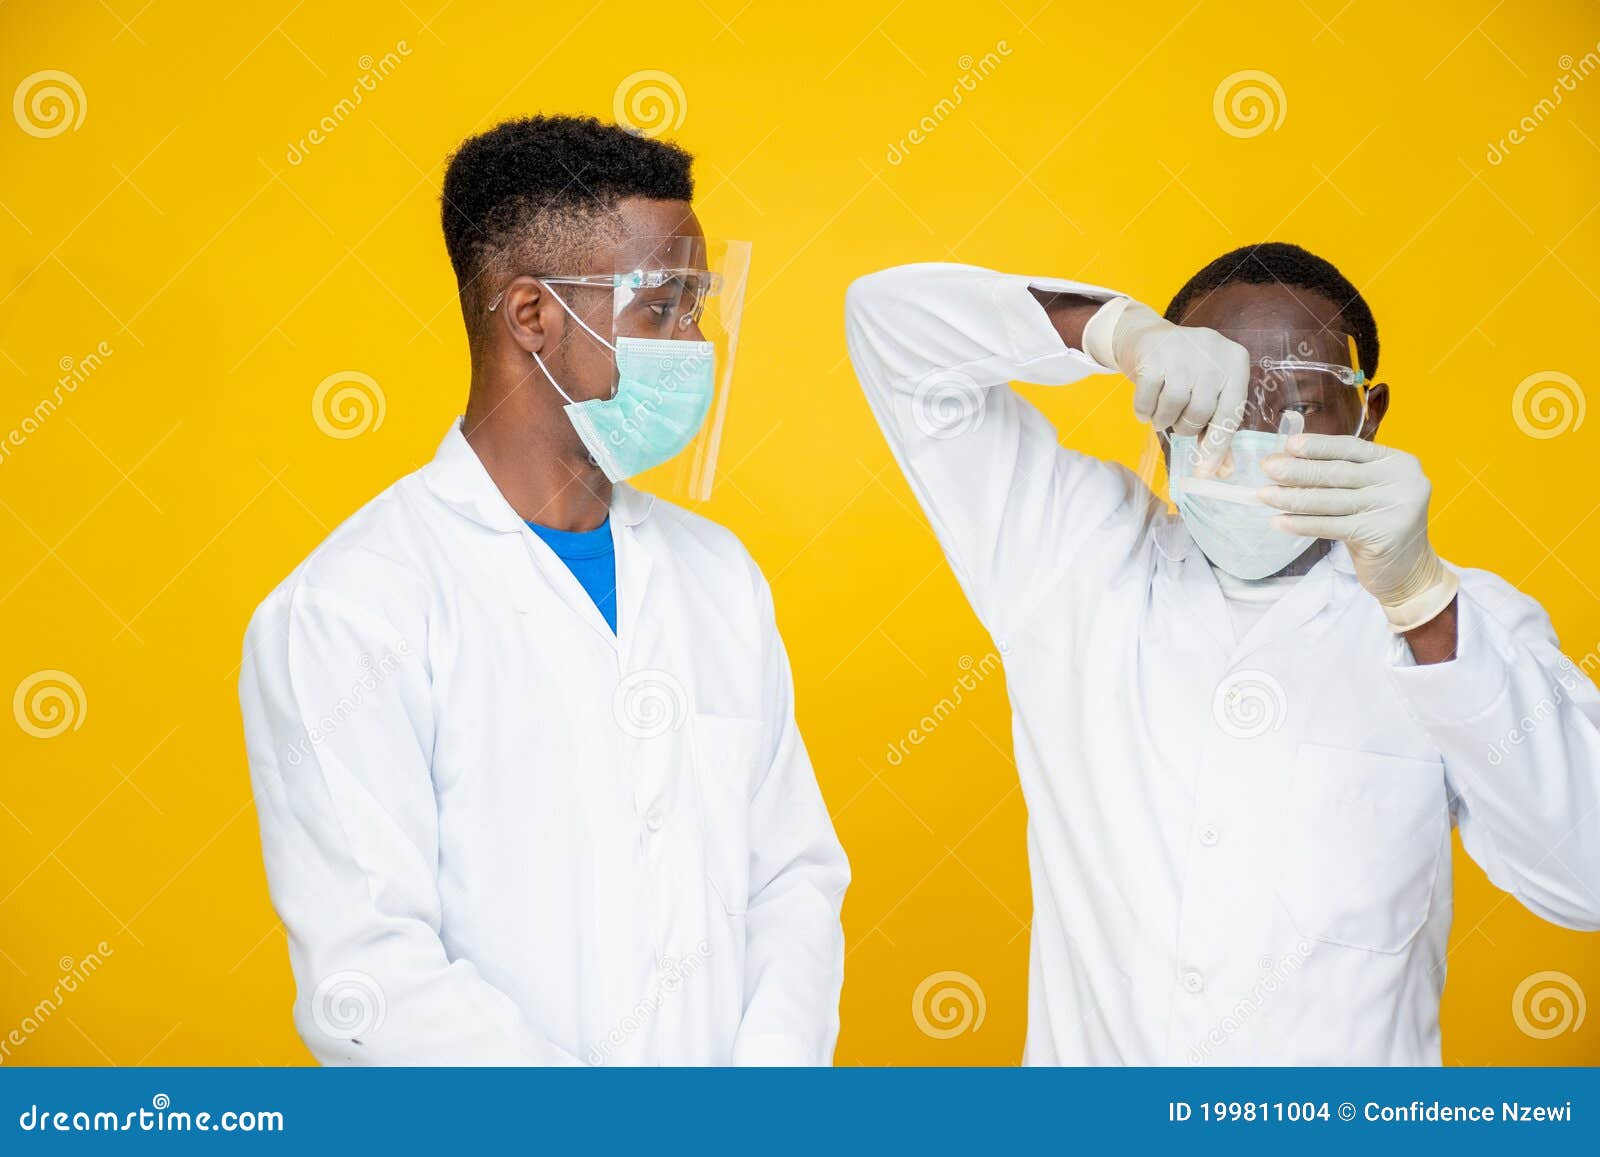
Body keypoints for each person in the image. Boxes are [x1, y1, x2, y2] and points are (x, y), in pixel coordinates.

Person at [846, 244, 1600, 1064]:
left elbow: (1585, 876)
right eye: (1216, 402)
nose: (1249, 441)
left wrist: (1422, 603)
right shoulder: (1075, 556)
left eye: (1302, 405)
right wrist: (1112, 330)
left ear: (1368, 417)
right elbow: (889, 324)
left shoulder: (1461, 622)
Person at [239, 116, 848, 1066]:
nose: (697, 341)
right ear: (532, 314)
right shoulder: (353, 608)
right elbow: (370, 978)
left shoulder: (718, 575)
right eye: (666, 305)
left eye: (699, 304)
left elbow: (793, 879)